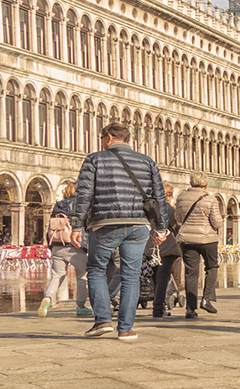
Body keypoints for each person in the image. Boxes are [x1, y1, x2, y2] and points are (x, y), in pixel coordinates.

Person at [69, 122, 169, 341]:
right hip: (138, 224)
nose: (101, 142)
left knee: (96, 268)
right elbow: (159, 196)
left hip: (105, 223)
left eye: (101, 137)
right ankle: (125, 329)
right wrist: (161, 227)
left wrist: (77, 225)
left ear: (109, 138)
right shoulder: (147, 162)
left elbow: (83, 195)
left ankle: (103, 320)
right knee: (131, 275)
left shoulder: (94, 159)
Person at [173, 176, 224, 319]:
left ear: (190, 183)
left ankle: (190, 308)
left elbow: (178, 218)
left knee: (191, 273)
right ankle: (206, 299)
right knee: (212, 267)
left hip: (187, 239)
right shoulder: (210, 199)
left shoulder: (181, 198)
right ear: (206, 184)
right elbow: (217, 223)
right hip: (207, 239)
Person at [39, 180, 88, 318]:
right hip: (75, 245)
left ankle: (47, 298)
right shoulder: (79, 205)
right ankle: (80, 306)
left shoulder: (58, 206)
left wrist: (50, 245)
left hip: (57, 244)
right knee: (81, 277)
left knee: (57, 275)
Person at [151, 181, 185, 316]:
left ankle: (157, 304)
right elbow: (178, 228)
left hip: (151, 248)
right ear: (169, 196)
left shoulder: (149, 210)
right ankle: (159, 307)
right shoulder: (171, 211)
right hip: (168, 248)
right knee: (163, 278)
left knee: (154, 278)